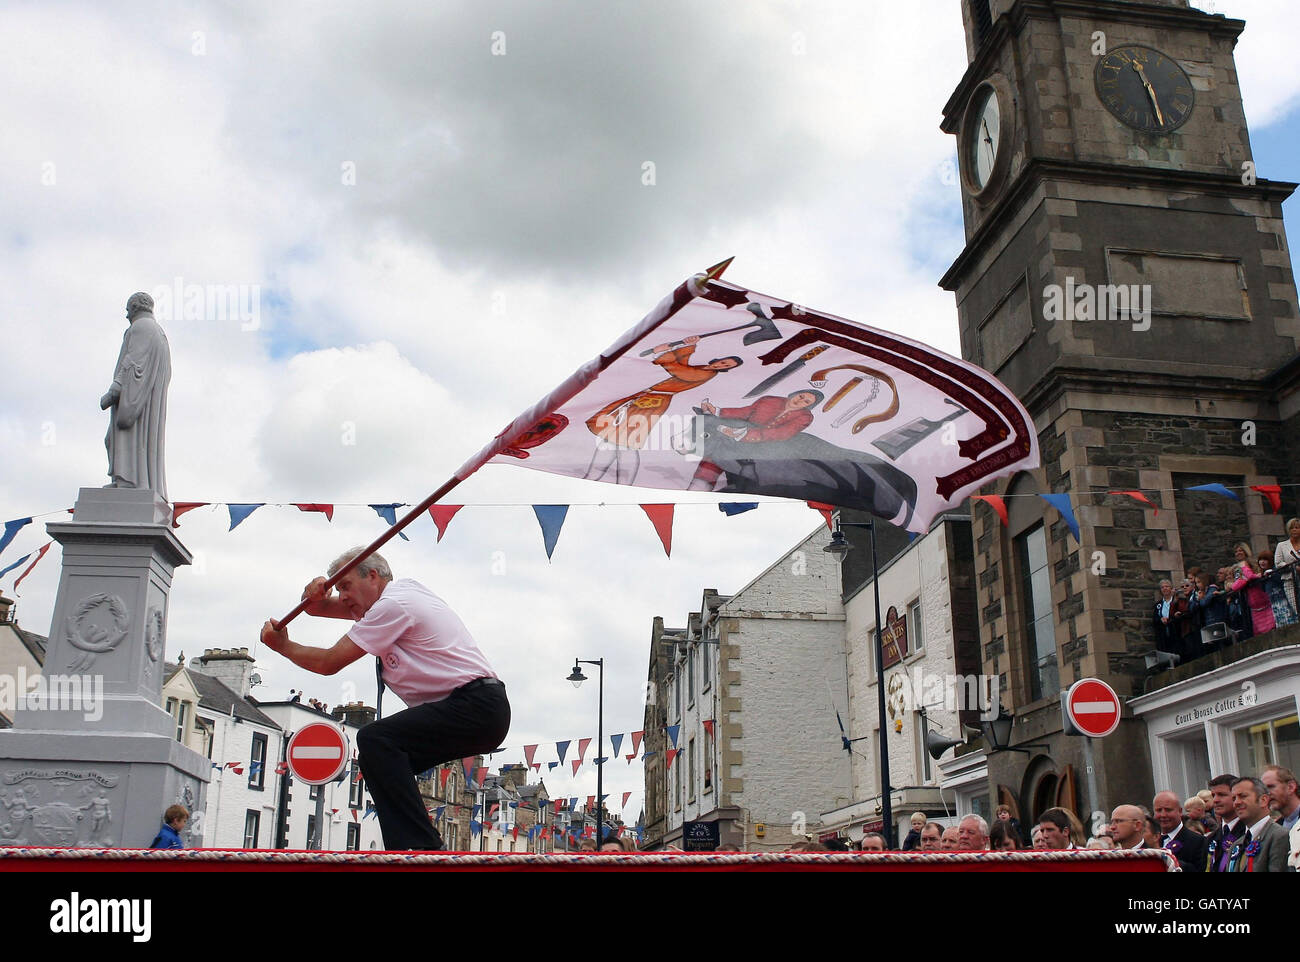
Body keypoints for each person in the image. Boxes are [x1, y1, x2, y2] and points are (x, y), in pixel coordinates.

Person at [261, 548, 509, 851]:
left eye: (346, 586)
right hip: (477, 710)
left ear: (373, 576)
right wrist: (312, 593)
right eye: (339, 588)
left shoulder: (393, 605)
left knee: (377, 740)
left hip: (476, 706)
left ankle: (418, 847)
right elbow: (317, 608)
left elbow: (329, 663)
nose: (343, 596)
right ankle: (413, 844)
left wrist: (284, 647)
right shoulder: (385, 599)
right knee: (379, 757)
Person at [100, 292, 171, 498]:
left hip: (136, 402)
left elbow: (133, 363)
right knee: (122, 442)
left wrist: (113, 391)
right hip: (147, 403)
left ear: (135, 307)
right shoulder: (159, 332)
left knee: (116, 440)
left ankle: (128, 482)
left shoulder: (141, 328)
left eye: (127, 310)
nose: (126, 316)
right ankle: (131, 482)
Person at [1227, 776, 1290, 872]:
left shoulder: (1279, 836)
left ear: (1263, 800)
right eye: (1234, 798)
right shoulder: (1236, 845)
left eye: (1243, 796)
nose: (1236, 802)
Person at [1152, 790, 1206, 871]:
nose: (1163, 815)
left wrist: (1169, 859)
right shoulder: (1151, 841)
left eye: (1168, 810)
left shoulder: (1199, 841)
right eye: (1159, 810)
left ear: (1180, 811)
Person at [1205, 774, 1245, 872]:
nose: (1215, 800)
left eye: (1222, 795)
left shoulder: (1248, 832)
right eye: (1213, 795)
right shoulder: (1211, 838)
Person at [1261, 764, 1300, 833]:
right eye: (1264, 790)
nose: (1267, 793)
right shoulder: (1274, 829)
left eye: (1271, 786)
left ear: (1291, 787)